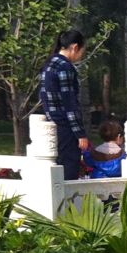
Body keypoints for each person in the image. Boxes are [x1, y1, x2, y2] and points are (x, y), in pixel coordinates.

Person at [39, 29, 89, 181]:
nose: (81, 55)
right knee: (69, 167)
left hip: (52, 122)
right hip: (65, 125)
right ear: (75, 47)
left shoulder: (49, 63)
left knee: (57, 167)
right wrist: (80, 133)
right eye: (82, 51)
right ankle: (68, 204)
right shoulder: (65, 67)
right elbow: (69, 102)